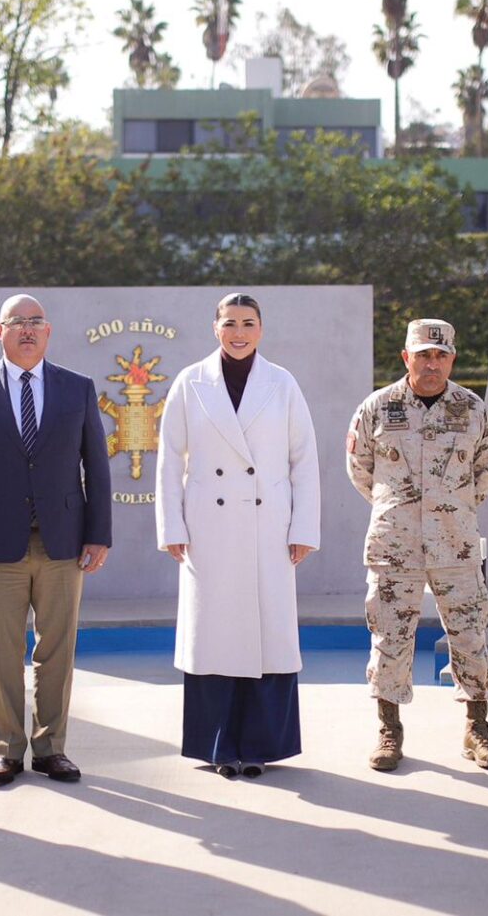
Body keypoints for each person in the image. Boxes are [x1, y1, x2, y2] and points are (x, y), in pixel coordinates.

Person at [0, 294, 112, 788]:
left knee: (57, 651)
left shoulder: (76, 388)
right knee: (2, 653)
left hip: (63, 542)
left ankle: (52, 748)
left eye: (36, 321)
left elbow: (96, 466)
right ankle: (7, 750)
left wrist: (99, 533)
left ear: (49, 331)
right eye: (17, 322)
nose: (27, 330)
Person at [155, 293, 320, 778]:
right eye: (230, 323)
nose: (239, 331)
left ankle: (261, 747)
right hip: (209, 528)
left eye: (248, 322)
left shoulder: (282, 383)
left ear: (261, 329)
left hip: (269, 527)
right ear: (215, 328)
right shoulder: (190, 382)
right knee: (216, 636)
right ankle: (218, 747)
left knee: (267, 634)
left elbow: (304, 460)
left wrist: (304, 527)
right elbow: (168, 460)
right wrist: (171, 526)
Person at [345, 318, 488, 772]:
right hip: (395, 546)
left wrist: (451, 511)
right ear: (406, 357)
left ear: (451, 358)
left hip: (455, 545)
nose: (432, 364)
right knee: (390, 638)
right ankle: (388, 730)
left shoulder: (472, 409)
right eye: (423, 355)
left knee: (471, 634)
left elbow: (486, 469)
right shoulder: (377, 408)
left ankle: (477, 729)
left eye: (440, 355)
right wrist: (399, 509)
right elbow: (361, 471)